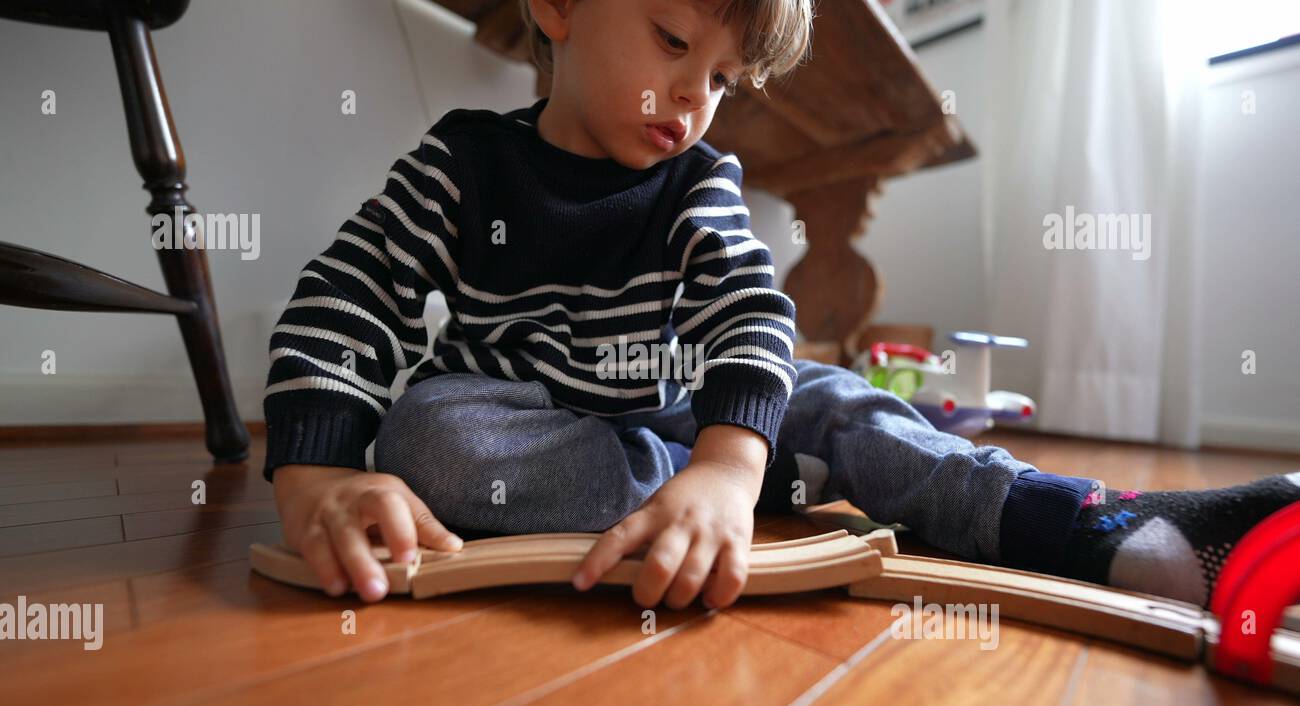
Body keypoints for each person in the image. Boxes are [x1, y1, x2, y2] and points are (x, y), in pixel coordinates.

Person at [265, 0, 1299, 612]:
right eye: (672, 40)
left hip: (691, 410)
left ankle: (1081, 526)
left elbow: (749, 312)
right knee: (427, 435)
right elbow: (349, 294)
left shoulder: (696, 180)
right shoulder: (464, 162)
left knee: (837, 399)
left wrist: (727, 454)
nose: (692, 97)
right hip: (531, 421)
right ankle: (764, 488)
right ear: (557, 6)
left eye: (721, 76)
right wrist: (313, 477)